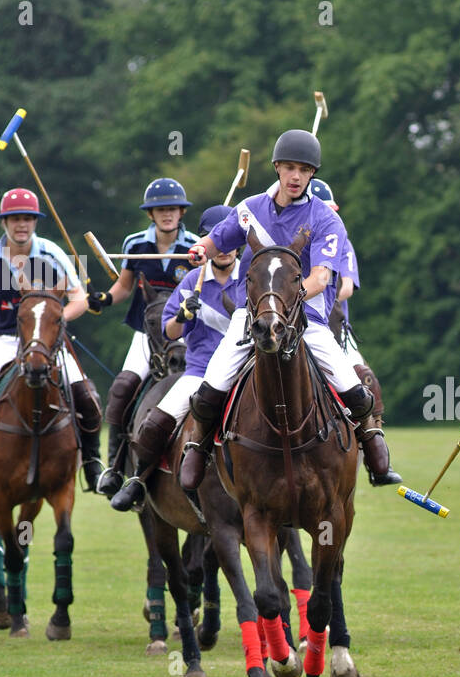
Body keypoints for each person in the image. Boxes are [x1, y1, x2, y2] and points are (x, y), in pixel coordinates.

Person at [178, 130, 400, 489]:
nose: (296, 176)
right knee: (211, 386)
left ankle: (373, 447)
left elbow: (321, 277)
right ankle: (197, 447)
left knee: (352, 386)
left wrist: (282, 307)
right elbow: (217, 239)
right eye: (290, 168)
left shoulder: (326, 219)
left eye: (304, 170)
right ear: (277, 167)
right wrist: (200, 248)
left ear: (313, 174)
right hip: (250, 318)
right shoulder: (249, 210)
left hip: (306, 319)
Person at [0, 188, 103, 503]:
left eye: (28, 219)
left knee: (85, 395)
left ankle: (92, 465)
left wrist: (56, 320)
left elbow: (79, 300)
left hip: (47, 343)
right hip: (5, 342)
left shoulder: (52, 255)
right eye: (15, 219)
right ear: (4, 222)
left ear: (35, 222)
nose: (22, 225)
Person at [108, 205, 240, 511]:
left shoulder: (250, 278)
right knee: (155, 423)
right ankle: (138, 481)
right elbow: (168, 332)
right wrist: (182, 315)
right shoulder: (192, 281)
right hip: (199, 372)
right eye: (214, 242)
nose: (223, 249)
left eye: (228, 242)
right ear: (205, 245)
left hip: (243, 371)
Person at [88, 178, 200, 497]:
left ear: (181, 212)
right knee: (123, 387)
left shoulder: (195, 247)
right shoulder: (135, 245)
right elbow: (124, 286)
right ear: (151, 214)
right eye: (160, 210)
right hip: (145, 330)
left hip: (183, 333)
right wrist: (105, 300)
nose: (167, 215)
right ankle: (114, 465)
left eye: (172, 209)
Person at [314, 177, 389, 435]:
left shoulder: (341, 245)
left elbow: (346, 288)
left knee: (366, 379)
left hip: (336, 333)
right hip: (292, 328)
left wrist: (322, 289)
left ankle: (374, 446)